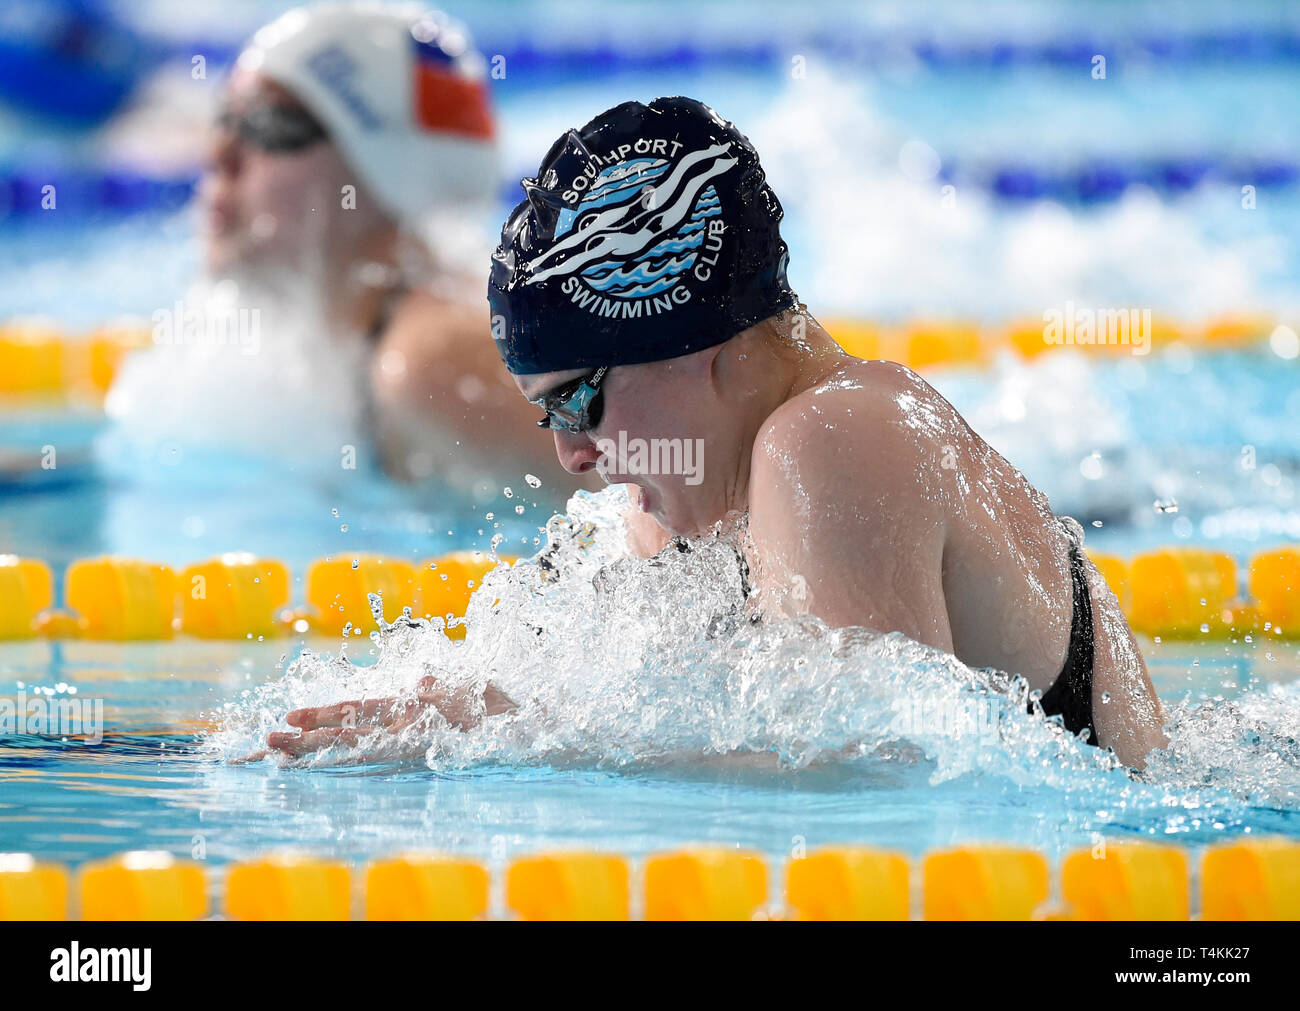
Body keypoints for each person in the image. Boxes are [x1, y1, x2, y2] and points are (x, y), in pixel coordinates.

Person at [263, 96, 1167, 769]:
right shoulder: (688, 505)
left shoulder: (834, 439)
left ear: (702, 347)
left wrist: (526, 741)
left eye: (579, 400)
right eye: (549, 413)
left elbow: (880, 773)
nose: (571, 454)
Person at [112, 2, 571, 486]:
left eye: (267, 126)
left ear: (382, 168)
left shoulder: (434, 361)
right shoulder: (345, 341)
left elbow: (641, 519)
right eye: (222, 120)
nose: (220, 157)